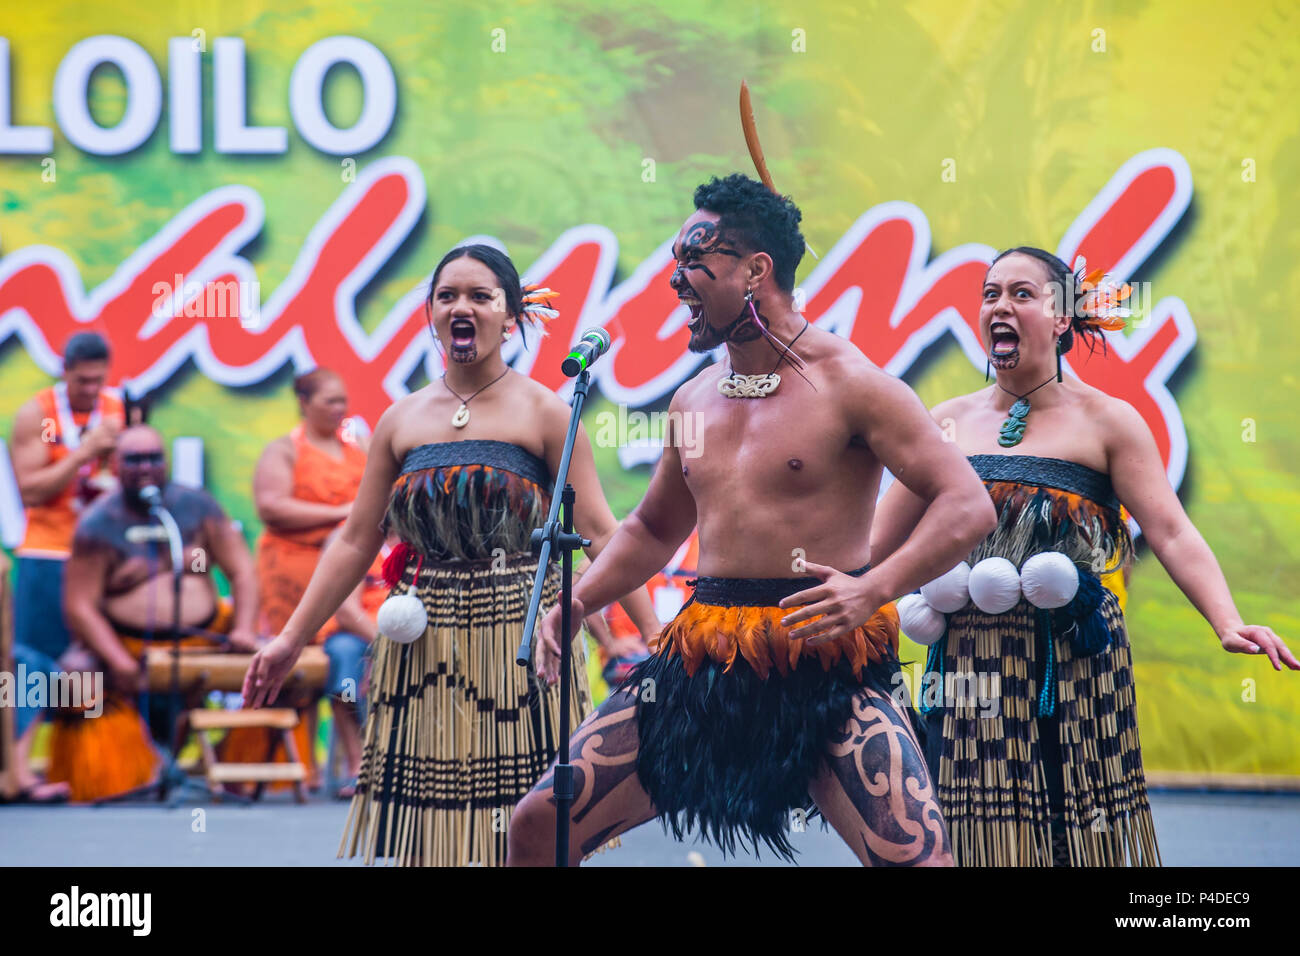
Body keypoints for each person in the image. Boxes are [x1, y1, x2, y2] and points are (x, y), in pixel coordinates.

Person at [507, 174, 997, 866]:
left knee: (922, 860)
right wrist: (578, 600)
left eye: (694, 263)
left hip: (826, 668)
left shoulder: (851, 384)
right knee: (536, 826)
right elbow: (651, 529)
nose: (676, 282)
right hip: (703, 665)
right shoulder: (695, 398)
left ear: (756, 271)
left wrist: (872, 589)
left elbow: (966, 505)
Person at [869, 246, 1297, 867]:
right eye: (990, 294)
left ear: (1062, 316)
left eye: (1021, 293)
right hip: (968, 672)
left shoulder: (1109, 422)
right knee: (964, 841)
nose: (1000, 306)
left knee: (1072, 844)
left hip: (1070, 668)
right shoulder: (945, 423)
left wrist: (1226, 622)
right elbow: (877, 549)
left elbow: (1171, 531)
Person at [243, 243, 660, 866]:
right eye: (447, 296)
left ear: (511, 314)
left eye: (481, 296)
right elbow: (358, 540)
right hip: (424, 644)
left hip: (522, 640)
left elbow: (602, 531)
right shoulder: (400, 419)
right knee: (429, 835)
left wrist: (655, 637)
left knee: (525, 824)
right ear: (431, 314)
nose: (462, 307)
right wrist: (288, 638)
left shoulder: (545, 411)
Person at [49, 425, 259, 801]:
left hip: (205, 637)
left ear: (166, 462)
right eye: (134, 459)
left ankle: (243, 776)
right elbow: (79, 606)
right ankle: (111, 779)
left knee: (273, 660)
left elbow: (242, 571)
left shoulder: (198, 507)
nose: (145, 466)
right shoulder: (97, 524)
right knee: (75, 677)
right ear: (115, 466)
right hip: (127, 646)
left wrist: (243, 628)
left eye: (153, 458)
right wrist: (117, 659)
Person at [221, 368, 368, 790]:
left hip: (352, 575)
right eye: (329, 401)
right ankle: (291, 768)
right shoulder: (284, 450)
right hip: (294, 575)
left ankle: (352, 762)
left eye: (342, 400)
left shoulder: (359, 444)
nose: (340, 408)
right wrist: (344, 515)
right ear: (303, 403)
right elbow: (272, 507)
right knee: (299, 665)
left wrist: (352, 521)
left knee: (344, 655)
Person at [7, 331, 125, 802]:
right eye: (83, 383)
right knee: (31, 668)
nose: (92, 391)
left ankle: (87, 771)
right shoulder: (37, 414)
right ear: (65, 372)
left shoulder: (118, 410)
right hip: (47, 555)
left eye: (99, 382)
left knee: (94, 671)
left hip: (102, 560)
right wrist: (83, 452)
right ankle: (16, 772)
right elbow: (31, 491)